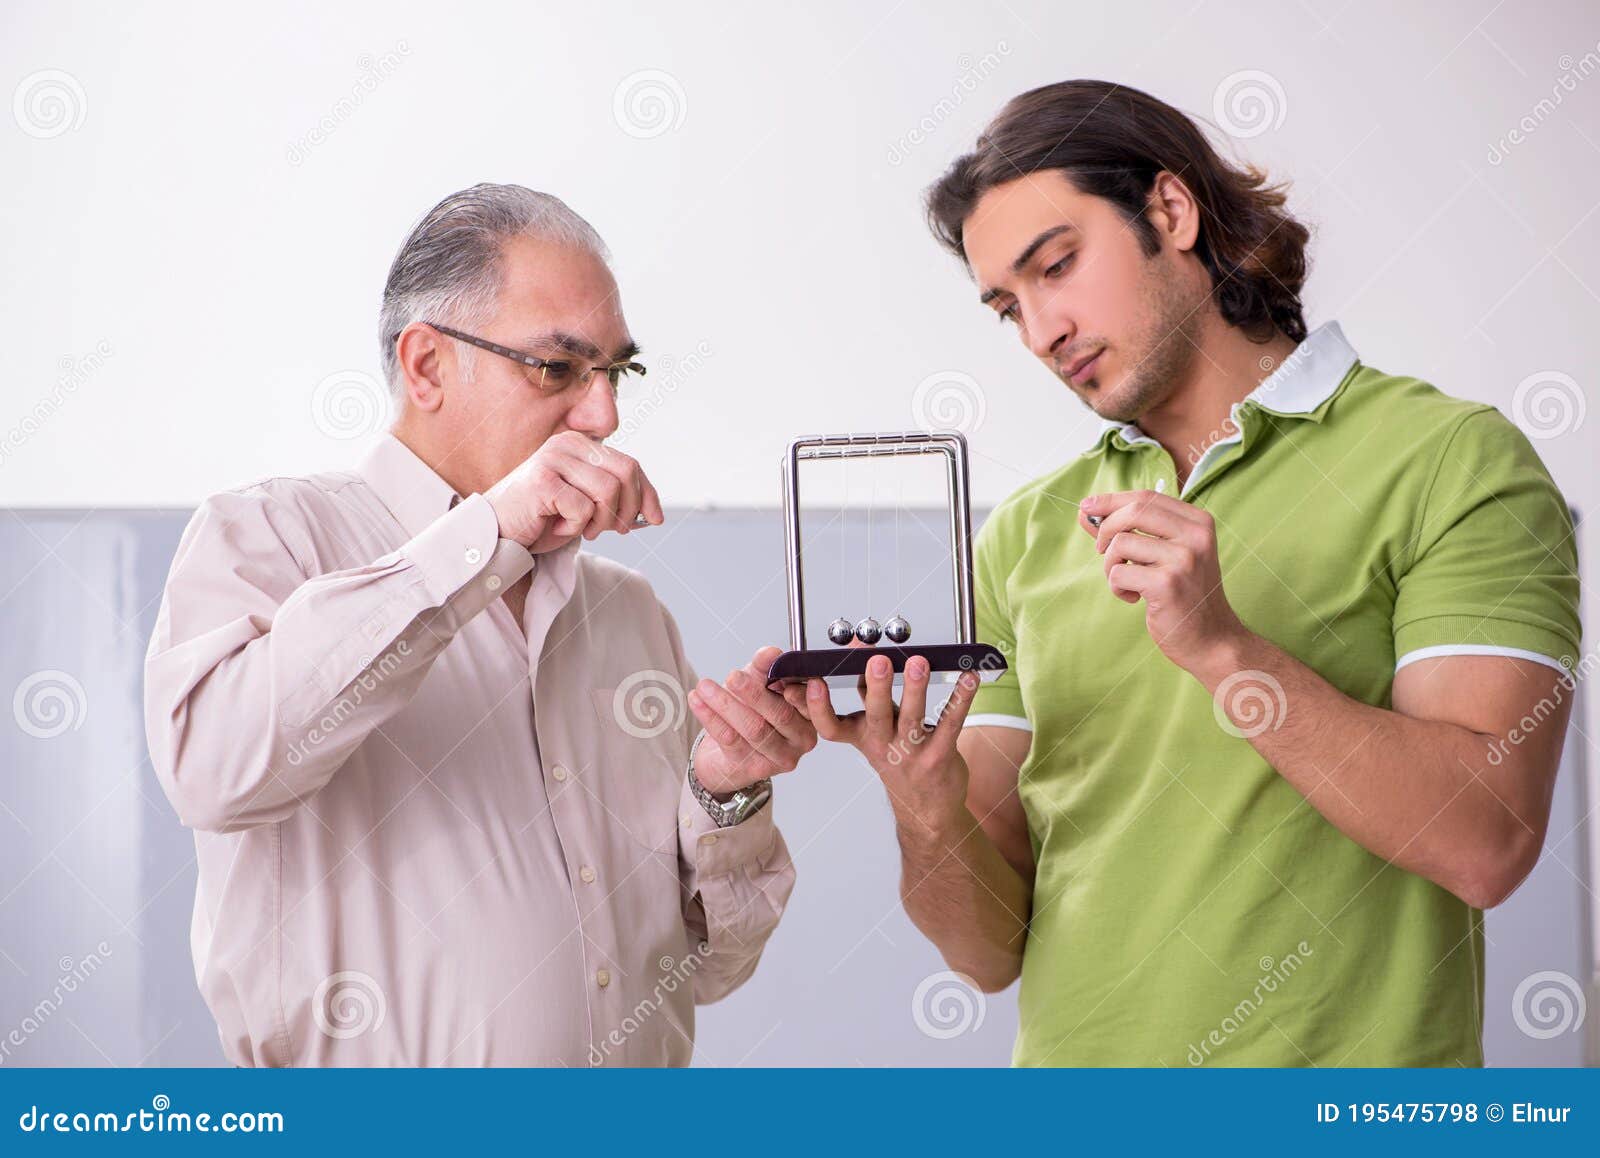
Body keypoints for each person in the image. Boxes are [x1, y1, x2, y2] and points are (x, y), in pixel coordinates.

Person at [790, 80, 1581, 1066]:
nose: (1041, 333)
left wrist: (1224, 651)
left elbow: (1486, 842)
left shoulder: (1450, 459)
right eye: (1007, 307)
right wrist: (916, 790)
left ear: (1170, 211)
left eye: (1059, 265)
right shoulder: (1029, 533)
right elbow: (987, 954)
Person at [146, 183, 815, 1066]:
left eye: (618, 372)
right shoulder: (271, 537)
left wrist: (725, 794)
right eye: (557, 368)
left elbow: (708, 967)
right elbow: (213, 772)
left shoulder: (625, 614)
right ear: (425, 366)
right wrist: (484, 535)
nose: (603, 415)